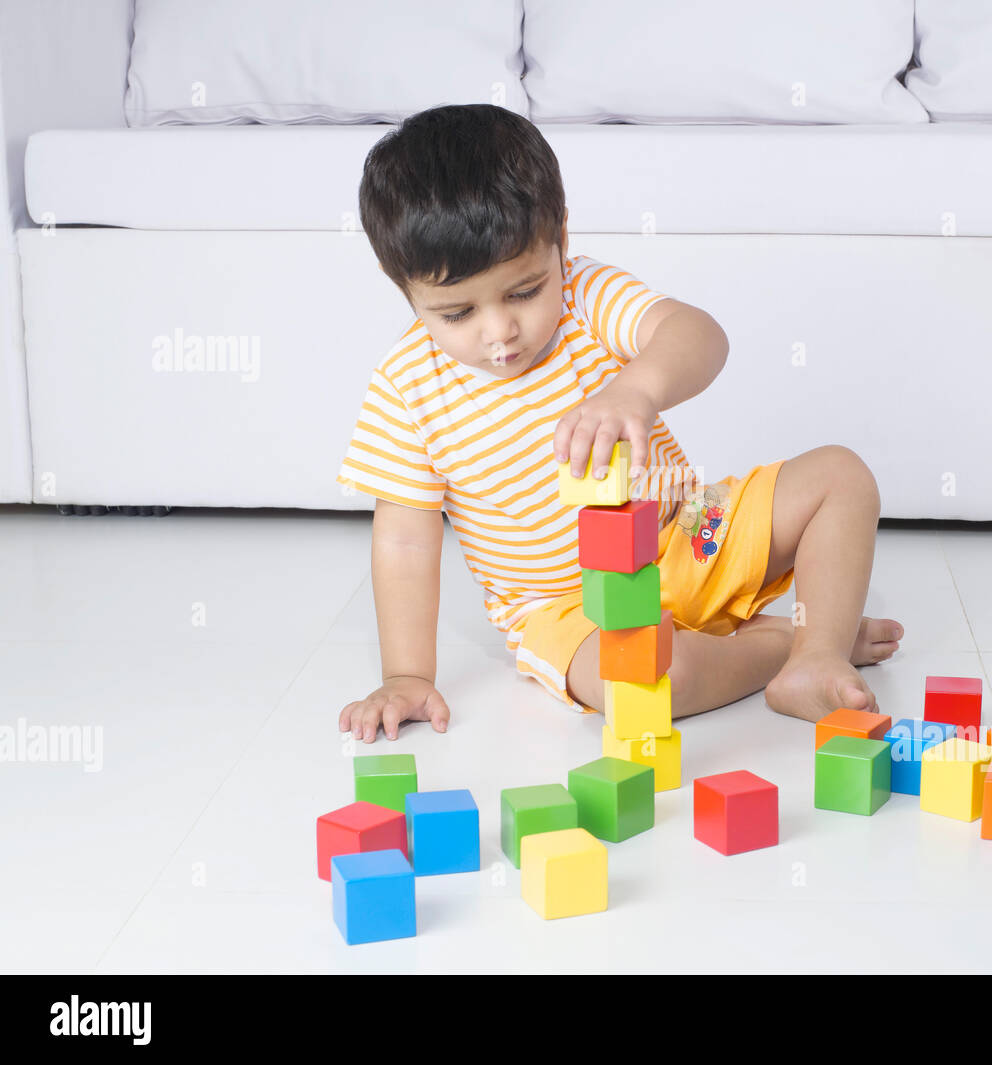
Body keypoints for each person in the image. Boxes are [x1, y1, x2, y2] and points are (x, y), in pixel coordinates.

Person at [336, 105, 903, 744]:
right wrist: (407, 673)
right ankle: (795, 644)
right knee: (641, 683)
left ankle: (818, 654)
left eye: (524, 291)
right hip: (567, 610)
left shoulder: (588, 296)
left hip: (685, 530)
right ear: (406, 293)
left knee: (840, 475)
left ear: (562, 240)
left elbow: (699, 334)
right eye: (458, 312)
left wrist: (636, 387)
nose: (500, 333)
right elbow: (407, 542)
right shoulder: (406, 387)